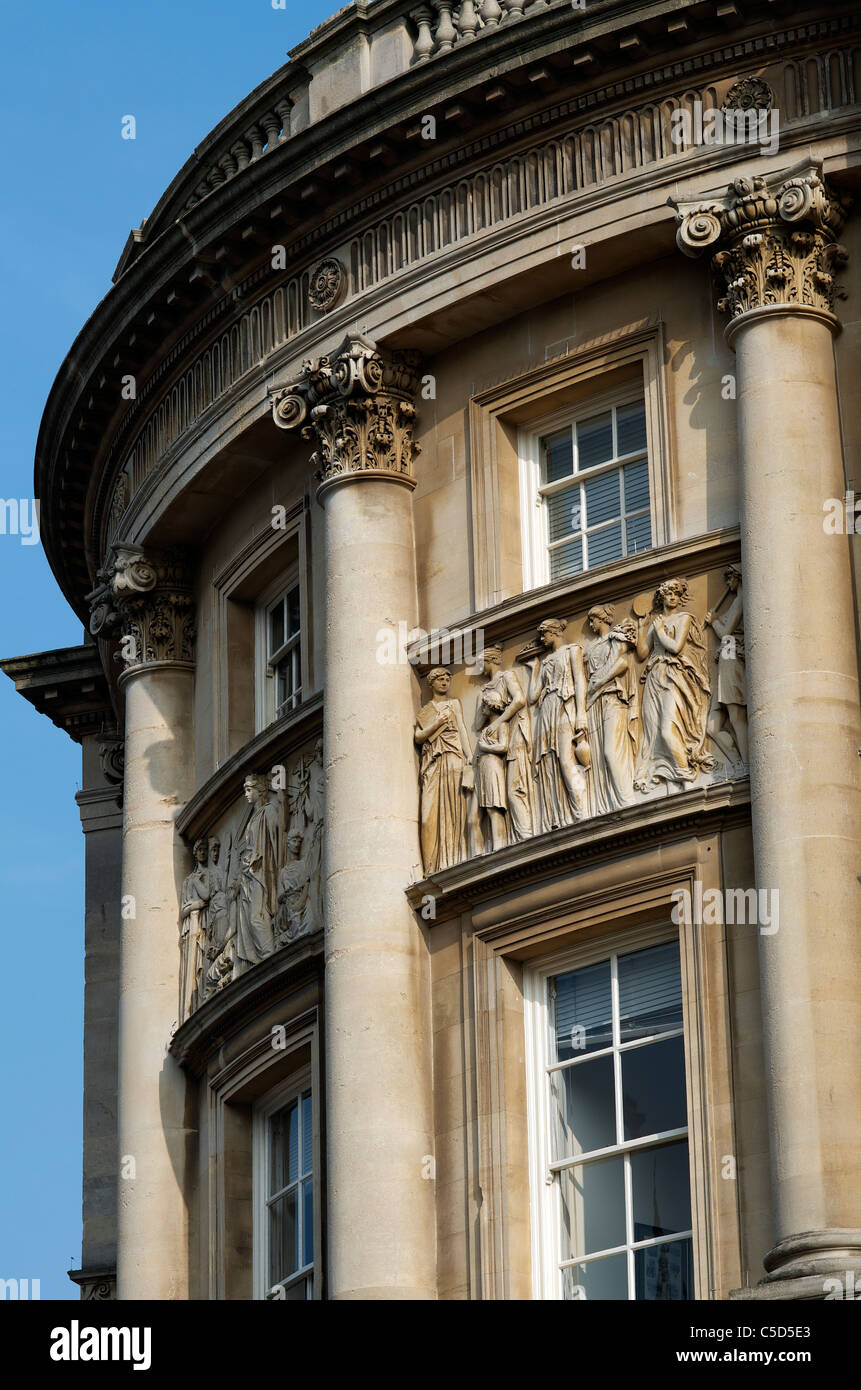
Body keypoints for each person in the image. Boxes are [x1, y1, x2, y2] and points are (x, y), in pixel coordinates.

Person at [634, 578, 715, 792]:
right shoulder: (656, 622)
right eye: (668, 594)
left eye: (676, 594)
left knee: (667, 730)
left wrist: (659, 631)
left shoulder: (683, 618)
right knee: (653, 733)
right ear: (662, 598)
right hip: (654, 677)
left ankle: (686, 775)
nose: (672, 598)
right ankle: (670, 778)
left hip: (673, 676)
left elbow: (676, 647)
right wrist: (643, 628)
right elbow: (642, 653)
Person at [527, 617, 589, 832]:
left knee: (566, 760)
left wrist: (581, 713)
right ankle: (559, 816)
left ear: (555, 632)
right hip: (547, 710)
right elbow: (533, 697)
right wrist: (534, 668)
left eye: (544, 634)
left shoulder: (572, 650)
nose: (542, 639)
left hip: (565, 705)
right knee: (550, 764)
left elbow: (580, 680)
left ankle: (582, 811)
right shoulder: (545, 662)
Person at [414, 667, 473, 873]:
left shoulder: (454, 704)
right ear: (431, 683)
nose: (445, 682)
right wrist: (437, 723)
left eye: (447, 678)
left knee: (454, 806)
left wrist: (469, 756)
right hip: (433, 762)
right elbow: (419, 737)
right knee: (429, 812)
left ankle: (453, 858)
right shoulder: (426, 710)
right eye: (440, 679)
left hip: (453, 756)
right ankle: (432, 864)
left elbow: (462, 730)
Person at [477, 643, 535, 842]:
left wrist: (499, 721)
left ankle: (524, 833)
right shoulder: (485, 688)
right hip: (497, 741)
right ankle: (520, 833)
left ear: (491, 660)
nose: (479, 667)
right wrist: (483, 702)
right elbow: (477, 724)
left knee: (515, 787)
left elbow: (519, 699)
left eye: (481, 662)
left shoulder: (507, 676)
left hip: (515, 731)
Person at [585, 606, 639, 815]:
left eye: (593, 620)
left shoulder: (614, 638)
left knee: (610, 751)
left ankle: (626, 800)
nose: (591, 625)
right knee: (599, 757)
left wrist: (597, 682)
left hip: (612, 697)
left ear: (602, 619)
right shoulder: (592, 647)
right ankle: (609, 803)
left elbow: (621, 664)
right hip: (595, 702)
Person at [704, 565, 748, 768]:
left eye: (729, 579)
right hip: (726, 656)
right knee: (712, 727)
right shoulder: (736, 603)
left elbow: (726, 634)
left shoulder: (740, 601)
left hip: (731, 656)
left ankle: (747, 763)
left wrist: (714, 621)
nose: (727, 583)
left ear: (737, 578)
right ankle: (738, 763)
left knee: (736, 714)